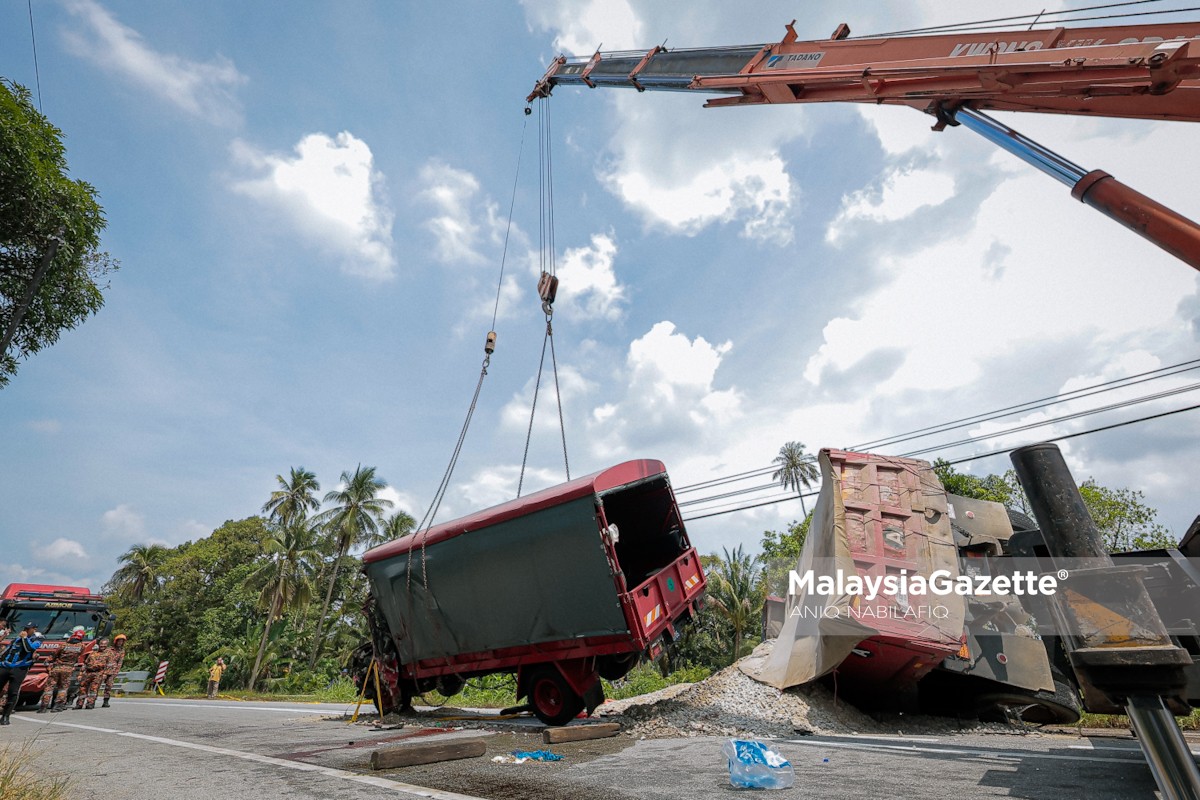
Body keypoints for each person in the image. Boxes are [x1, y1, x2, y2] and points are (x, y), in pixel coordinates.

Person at [0, 623, 44, 725]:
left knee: (13, 692)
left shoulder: (37, 638)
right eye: (25, 628)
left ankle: (5, 716)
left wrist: (25, 638)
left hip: (20, 668)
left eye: (28, 629)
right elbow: (7, 651)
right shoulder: (17, 639)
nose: (26, 630)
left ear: (34, 629)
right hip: (6, 667)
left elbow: (29, 649)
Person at [39, 626, 86, 713]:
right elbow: (80, 656)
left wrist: (47, 662)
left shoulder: (63, 645)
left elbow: (54, 655)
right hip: (68, 669)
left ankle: (43, 707)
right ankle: (57, 707)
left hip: (56, 668)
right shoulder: (82, 646)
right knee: (63, 688)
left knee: (49, 688)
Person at [74, 637, 109, 710]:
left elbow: (110, 665)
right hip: (88, 673)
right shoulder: (93, 653)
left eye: (104, 645)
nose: (102, 646)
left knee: (94, 689)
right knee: (82, 688)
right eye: (101, 644)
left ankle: (90, 703)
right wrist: (80, 673)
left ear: (107, 645)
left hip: (98, 673)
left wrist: (105, 674)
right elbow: (85, 663)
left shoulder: (109, 654)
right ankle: (79, 704)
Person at [100, 633, 127, 708]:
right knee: (96, 685)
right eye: (119, 641)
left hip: (112, 671)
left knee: (109, 686)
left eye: (122, 641)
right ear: (116, 641)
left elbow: (120, 662)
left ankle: (106, 701)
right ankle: (90, 701)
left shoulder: (122, 651)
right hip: (103, 670)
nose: (120, 643)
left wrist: (116, 672)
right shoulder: (108, 649)